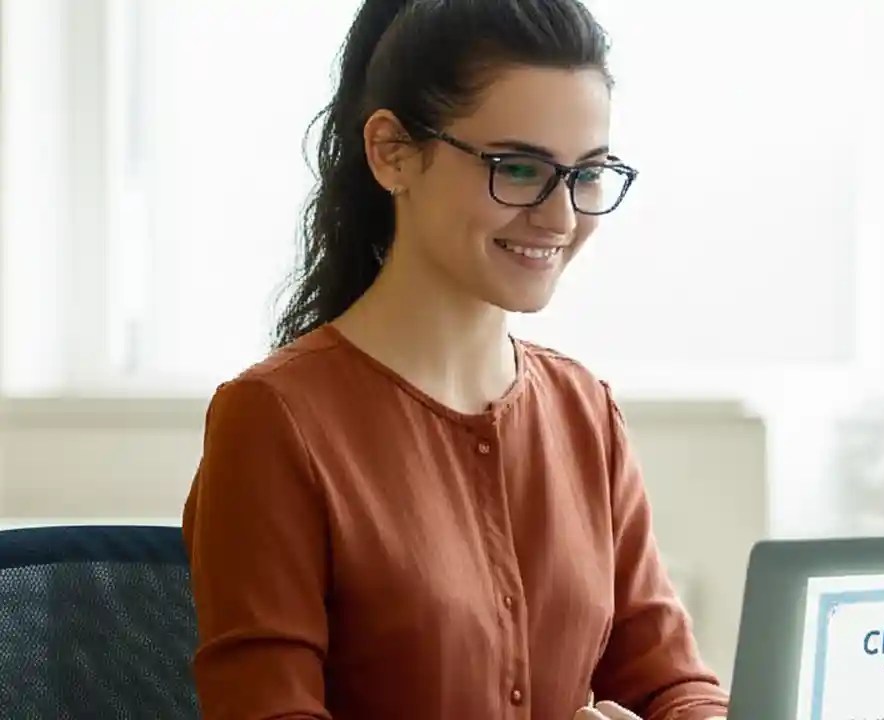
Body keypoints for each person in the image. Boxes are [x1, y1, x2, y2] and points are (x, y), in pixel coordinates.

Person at [181, 0, 730, 718]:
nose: (561, 219)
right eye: (519, 168)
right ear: (392, 152)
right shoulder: (275, 420)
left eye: (587, 174)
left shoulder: (583, 410)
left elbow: (672, 683)